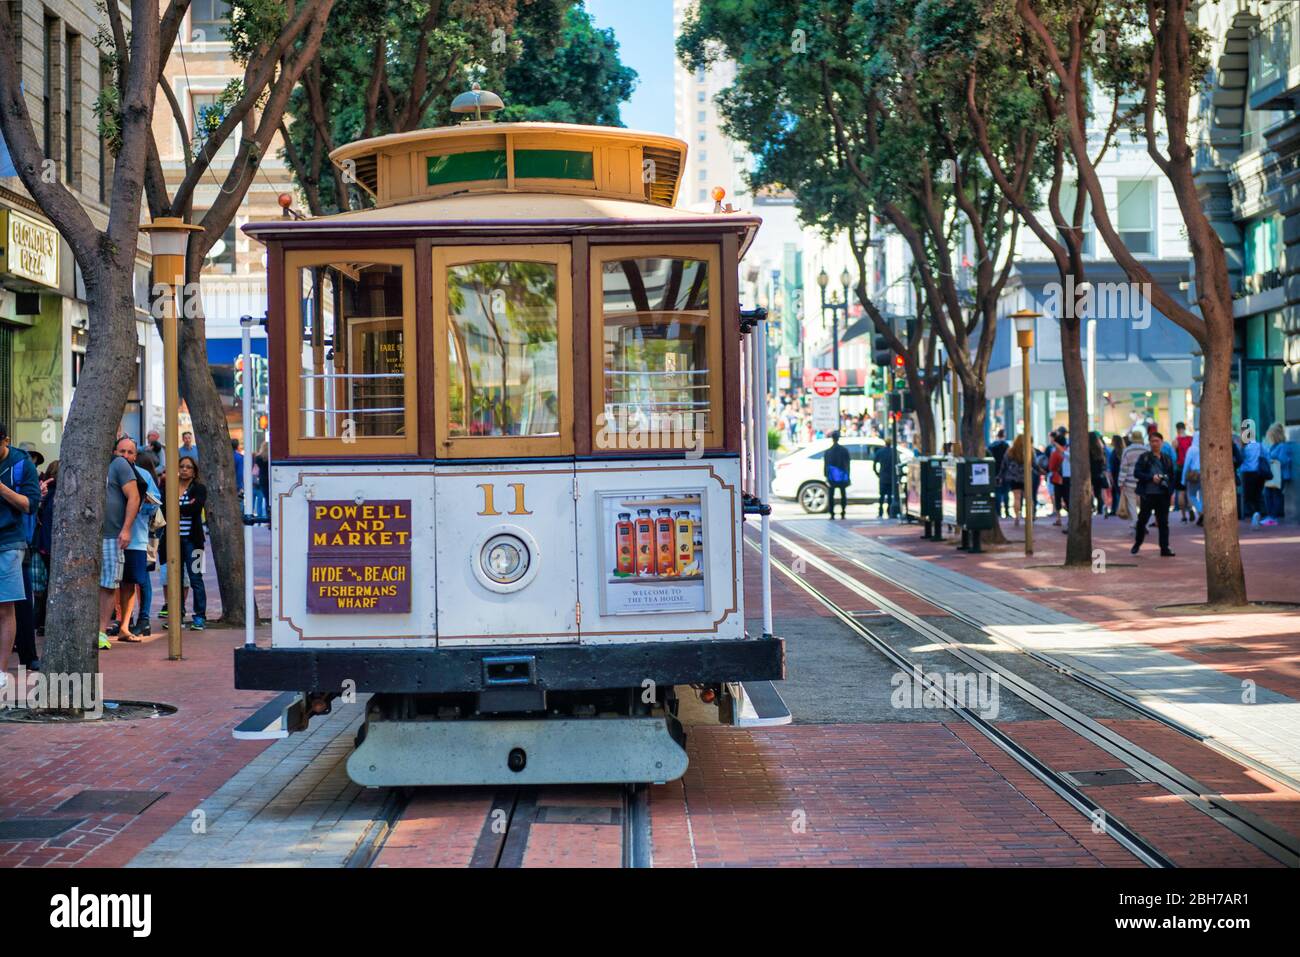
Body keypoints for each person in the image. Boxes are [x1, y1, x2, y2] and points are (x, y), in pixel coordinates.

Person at [0, 423, 40, 687]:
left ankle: (1, 672)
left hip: (9, 542)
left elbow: (30, 504)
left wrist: (2, 489)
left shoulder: (21, 463)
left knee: (6, 607)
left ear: (5, 440)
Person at [100, 436, 142, 651]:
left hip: (111, 535)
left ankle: (100, 632)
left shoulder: (119, 465)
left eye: (129, 452)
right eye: (121, 450)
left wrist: (125, 529)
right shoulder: (97, 462)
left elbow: (134, 497)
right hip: (91, 535)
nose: (125, 455)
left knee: (108, 585)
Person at [160, 456, 208, 630]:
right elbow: (164, 508)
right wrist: (184, 507)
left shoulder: (199, 489)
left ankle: (200, 616)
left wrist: (177, 508)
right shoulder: (169, 487)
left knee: (196, 578)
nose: (185, 469)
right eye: (182, 466)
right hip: (173, 541)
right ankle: (177, 616)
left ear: (194, 471)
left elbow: (196, 509)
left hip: (194, 542)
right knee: (175, 578)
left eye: (189, 467)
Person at [1131, 430, 1176, 556]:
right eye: (1152, 441)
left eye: (1157, 441)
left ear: (1162, 442)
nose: (1155, 444)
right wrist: (1151, 478)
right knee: (1142, 520)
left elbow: (1172, 476)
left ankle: (1164, 548)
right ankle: (1137, 543)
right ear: (1149, 443)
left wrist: (1170, 491)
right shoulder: (1144, 457)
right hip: (1148, 494)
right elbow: (1137, 473)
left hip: (1163, 495)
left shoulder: (1167, 459)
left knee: (1163, 522)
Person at [1262, 423, 1292, 526]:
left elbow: (1284, 460)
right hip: (1272, 475)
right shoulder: (1273, 446)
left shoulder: (1283, 446)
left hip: (1279, 476)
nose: (1269, 437)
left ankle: (1273, 517)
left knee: (1275, 495)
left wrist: (1272, 459)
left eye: (1271, 435)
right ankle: (1270, 516)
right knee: (1268, 494)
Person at [1239, 426, 1269, 524]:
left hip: (1247, 474)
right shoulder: (1260, 445)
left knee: (1248, 497)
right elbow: (1268, 455)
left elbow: (1240, 460)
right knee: (1258, 495)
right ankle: (1261, 514)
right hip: (1259, 473)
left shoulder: (1244, 448)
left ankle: (1252, 514)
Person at [1118, 430, 1147, 526]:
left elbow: (1124, 468)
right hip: (1143, 481)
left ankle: (1135, 521)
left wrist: (1120, 482)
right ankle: (1144, 524)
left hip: (1129, 482)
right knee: (1143, 504)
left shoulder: (1127, 450)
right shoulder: (1146, 450)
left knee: (1131, 503)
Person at [823, 431, 851, 520]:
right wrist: (848, 475)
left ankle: (832, 513)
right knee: (843, 494)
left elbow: (825, 465)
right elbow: (848, 464)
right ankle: (843, 512)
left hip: (831, 476)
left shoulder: (828, 451)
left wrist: (826, 476)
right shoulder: (844, 450)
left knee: (831, 495)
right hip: (842, 476)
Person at [1048, 430, 1070, 526]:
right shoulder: (1069, 451)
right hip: (1068, 478)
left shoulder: (1055, 453)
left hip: (1058, 478)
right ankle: (1070, 518)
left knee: (1058, 498)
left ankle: (1059, 518)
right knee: (1067, 498)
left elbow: (1051, 467)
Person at [1181, 432, 1203, 527]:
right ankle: (1202, 513)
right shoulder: (1204, 448)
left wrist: (1183, 479)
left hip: (1194, 474)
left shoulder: (1192, 449)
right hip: (1205, 474)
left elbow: (1186, 465)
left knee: (1192, 495)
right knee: (1202, 496)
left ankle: (1201, 511)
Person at [1173, 422, 1194, 522]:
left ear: (1177, 429)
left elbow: (1173, 456)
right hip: (1190, 468)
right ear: (1184, 428)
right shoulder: (1191, 439)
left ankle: (1183, 516)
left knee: (1181, 492)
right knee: (1189, 491)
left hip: (1180, 468)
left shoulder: (1176, 441)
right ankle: (1190, 509)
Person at [872, 440, 898, 518]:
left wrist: (877, 473)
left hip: (883, 477)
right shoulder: (893, 452)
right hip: (890, 478)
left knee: (882, 496)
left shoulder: (880, 452)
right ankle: (889, 511)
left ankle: (880, 512)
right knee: (889, 496)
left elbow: (874, 464)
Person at [1088, 432, 1109, 516]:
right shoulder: (1100, 449)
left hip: (1090, 473)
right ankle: (1100, 508)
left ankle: (1092, 506)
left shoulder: (1088, 450)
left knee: (1089, 491)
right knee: (1098, 493)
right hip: (1099, 473)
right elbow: (1103, 462)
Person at [1108, 434, 1125, 516]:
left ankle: (1115, 509)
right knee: (1118, 492)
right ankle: (1118, 509)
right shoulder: (1123, 452)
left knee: (1116, 492)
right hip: (1122, 474)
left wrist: (1110, 475)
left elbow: (1111, 466)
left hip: (1116, 475)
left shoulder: (1114, 453)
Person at [254, 439, 270, 521]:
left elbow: (255, 471)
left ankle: (268, 517)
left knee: (266, 499)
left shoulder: (258, 458)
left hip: (263, 479)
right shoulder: (271, 457)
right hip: (271, 478)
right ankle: (272, 518)